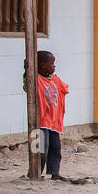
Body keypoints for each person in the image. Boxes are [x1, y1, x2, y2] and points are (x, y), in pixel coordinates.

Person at [24, 51, 68, 180]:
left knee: (55, 147)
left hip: (53, 121)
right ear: (43, 65)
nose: (54, 66)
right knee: (40, 148)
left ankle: (54, 172)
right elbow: (27, 83)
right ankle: (35, 172)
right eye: (52, 64)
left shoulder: (55, 79)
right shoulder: (35, 80)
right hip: (40, 120)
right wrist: (26, 69)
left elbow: (65, 89)